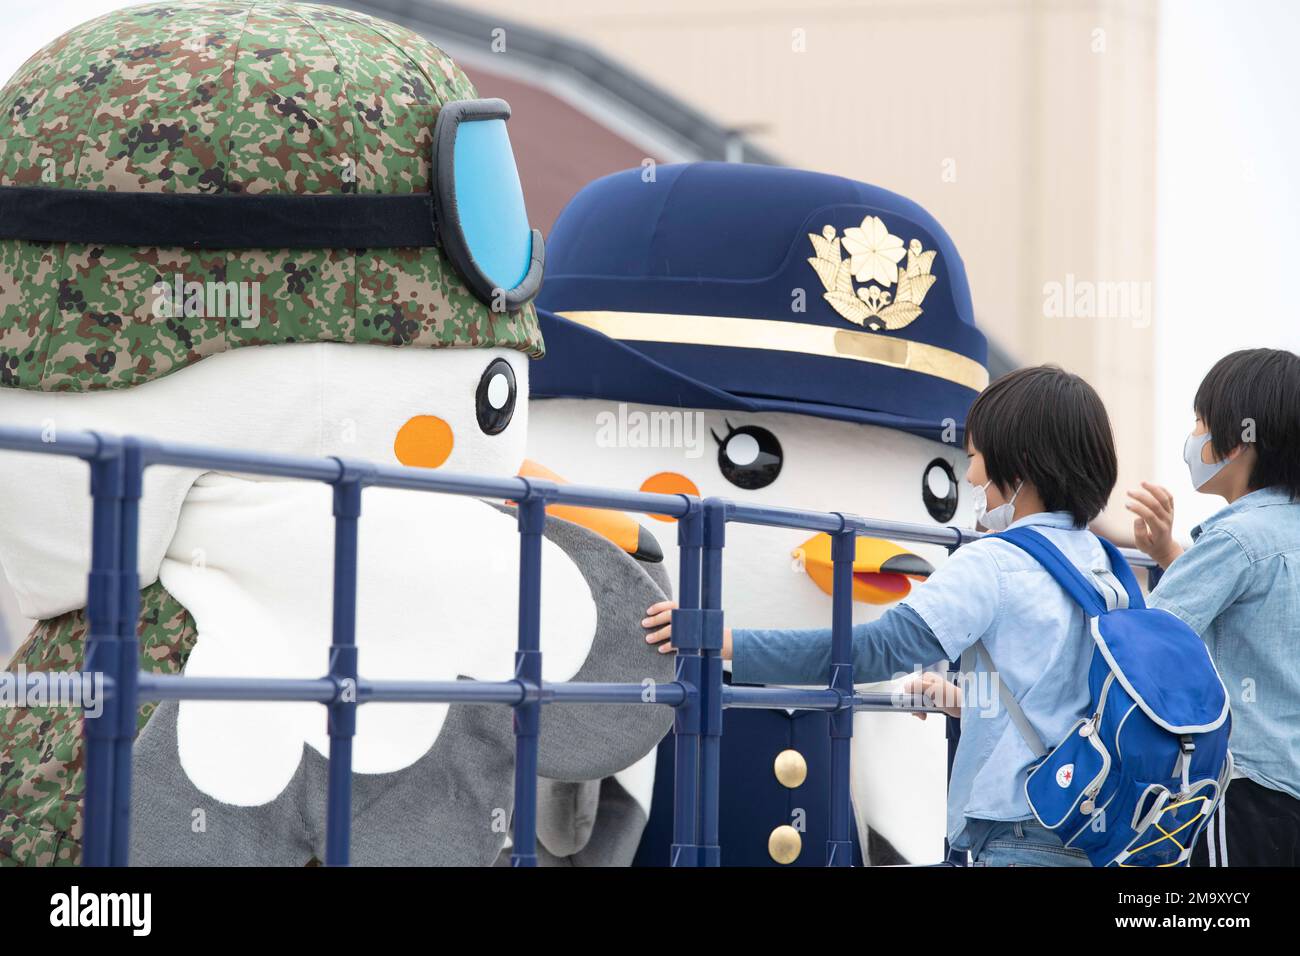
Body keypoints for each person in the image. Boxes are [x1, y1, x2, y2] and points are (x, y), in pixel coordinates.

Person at [643, 365, 1121, 866]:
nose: (972, 477)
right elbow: (1068, 693)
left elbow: (874, 650)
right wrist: (970, 703)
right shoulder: (1107, 565)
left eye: (975, 458)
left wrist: (725, 640)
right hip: (1096, 830)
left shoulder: (996, 561)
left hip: (1019, 834)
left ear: (1019, 464)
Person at [1125, 348, 1300, 866]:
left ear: (1238, 441)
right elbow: (1255, 616)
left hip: (1243, 790)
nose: (1194, 437)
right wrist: (1169, 555)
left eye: (1201, 421)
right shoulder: (1278, 535)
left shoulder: (1233, 539)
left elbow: (1149, 640)